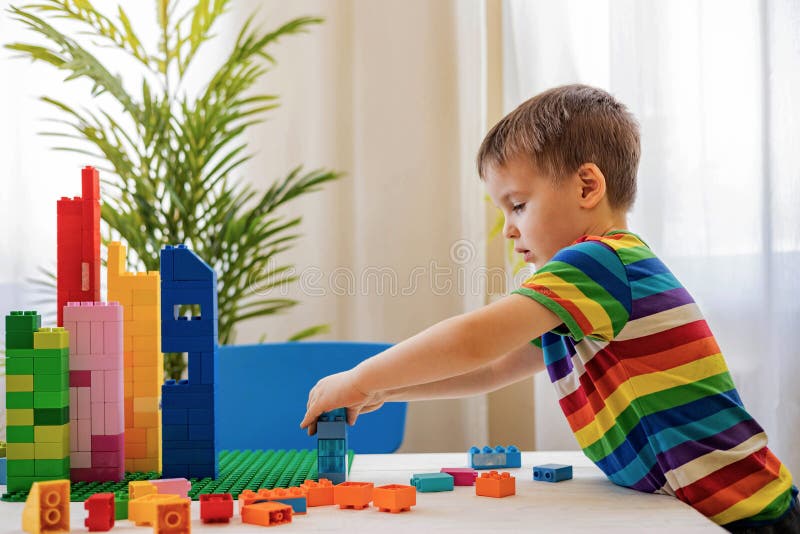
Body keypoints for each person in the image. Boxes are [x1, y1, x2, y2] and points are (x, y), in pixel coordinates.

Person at [300, 84, 798, 532]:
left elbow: (476, 341)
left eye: (517, 205)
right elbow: (495, 366)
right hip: (704, 509)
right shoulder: (583, 296)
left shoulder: (601, 261)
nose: (509, 228)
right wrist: (387, 388)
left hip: (744, 514)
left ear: (587, 187)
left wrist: (359, 378)